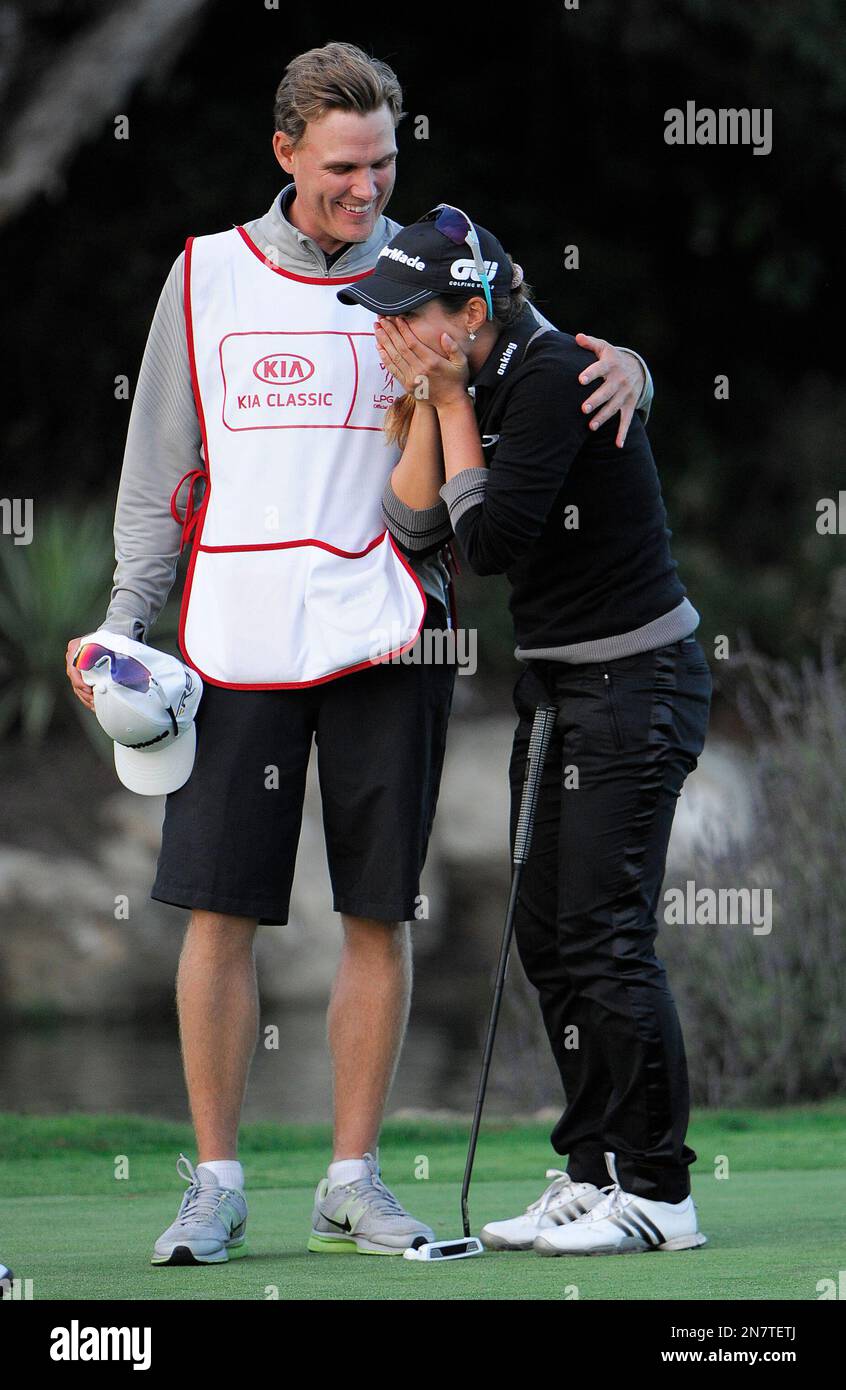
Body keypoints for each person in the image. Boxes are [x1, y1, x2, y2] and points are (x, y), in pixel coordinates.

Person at [63, 43, 654, 1263]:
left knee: (378, 912)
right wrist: (129, 621)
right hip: (235, 639)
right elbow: (154, 477)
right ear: (284, 153)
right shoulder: (204, 277)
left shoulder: (426, 261)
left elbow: (541, 349)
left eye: (383, 161)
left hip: (393, 629)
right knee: (219, 917)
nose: (366, 188)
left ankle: (351, 1177)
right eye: (342, 166)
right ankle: (217, 1183)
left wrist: (638, 365)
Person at [343, 206, 712, 1257]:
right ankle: (595, 1172)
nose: (391, 331)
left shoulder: (544, 377)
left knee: (605, 940)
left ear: (471, 310)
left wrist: (448, 396)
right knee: (552, 939)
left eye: (409, 315)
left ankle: (660, 1191)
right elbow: (417, 528)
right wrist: (432, 401)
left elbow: (493, 542)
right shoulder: (481, 380)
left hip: (635, 683)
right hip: (562, 690)